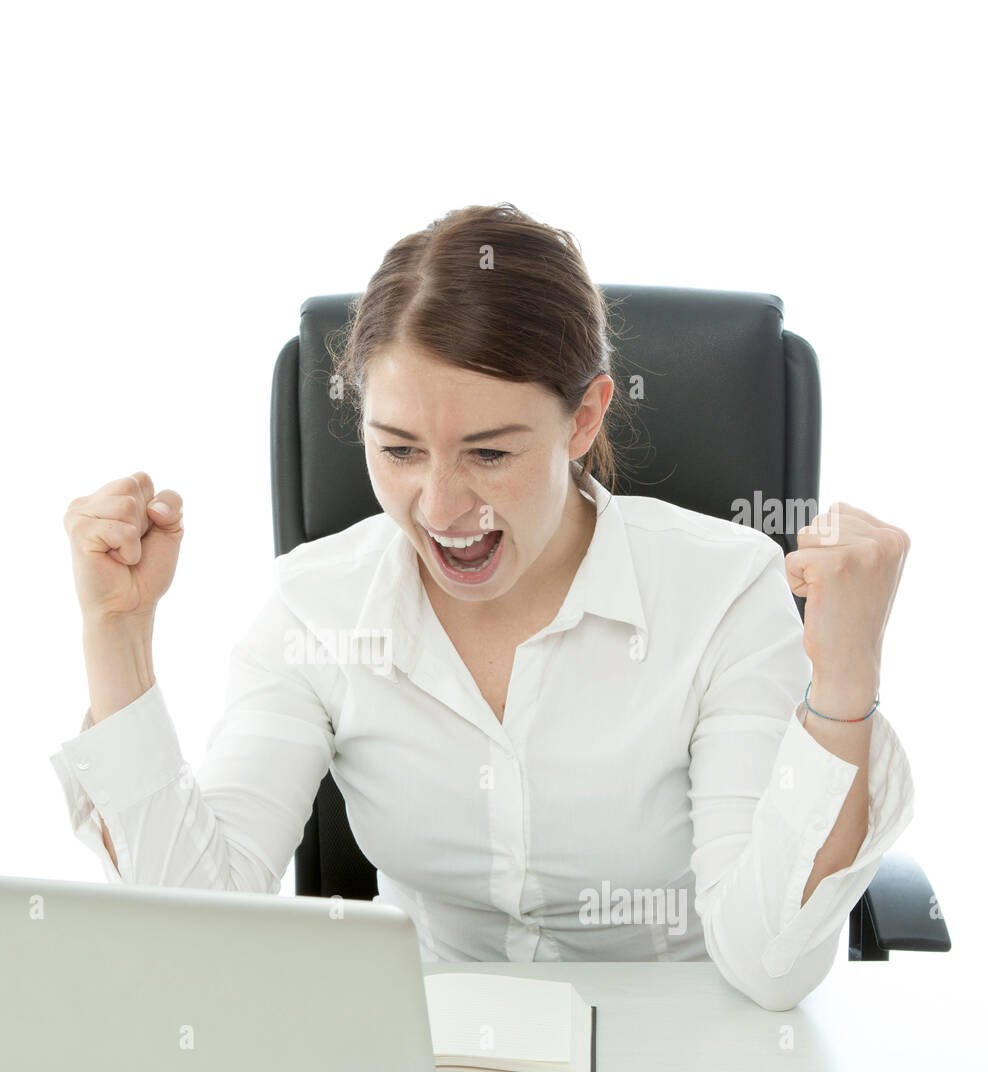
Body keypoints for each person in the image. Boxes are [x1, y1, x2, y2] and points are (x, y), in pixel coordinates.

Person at [51, 203, 913, 1011]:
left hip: (683, 1057)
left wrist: (843, 686)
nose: (439, 507)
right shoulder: (317, 608)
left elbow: (770, 964)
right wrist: (116, 635)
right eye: (398, 451)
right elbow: (200, 932)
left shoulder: (724, 593)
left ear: (584, 419)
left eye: (489, 454)